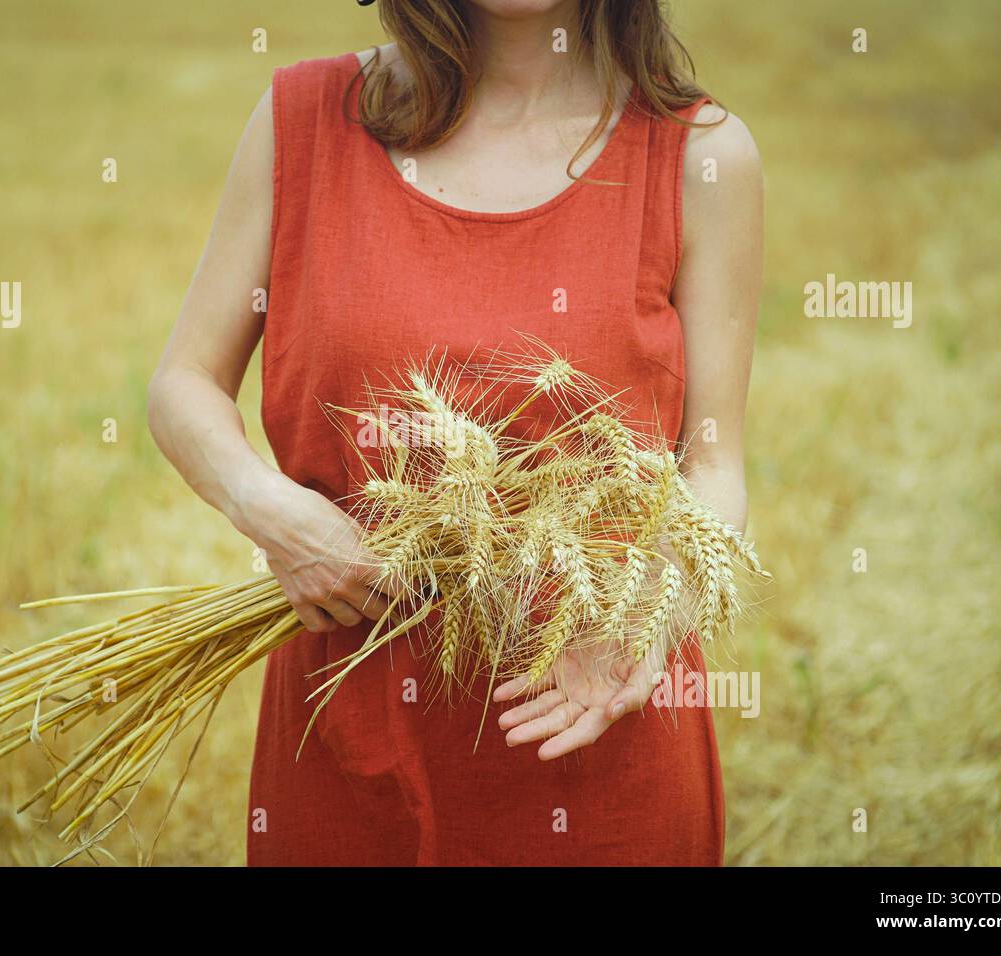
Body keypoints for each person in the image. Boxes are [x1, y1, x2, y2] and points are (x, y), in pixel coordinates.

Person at [148, 0, 761, 865]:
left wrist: (640, 629)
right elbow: (182, 385)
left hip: (591, 732)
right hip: (349, 728)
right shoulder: (305, 122)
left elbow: (714, 467)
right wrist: (269, 510)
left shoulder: (700, 157)